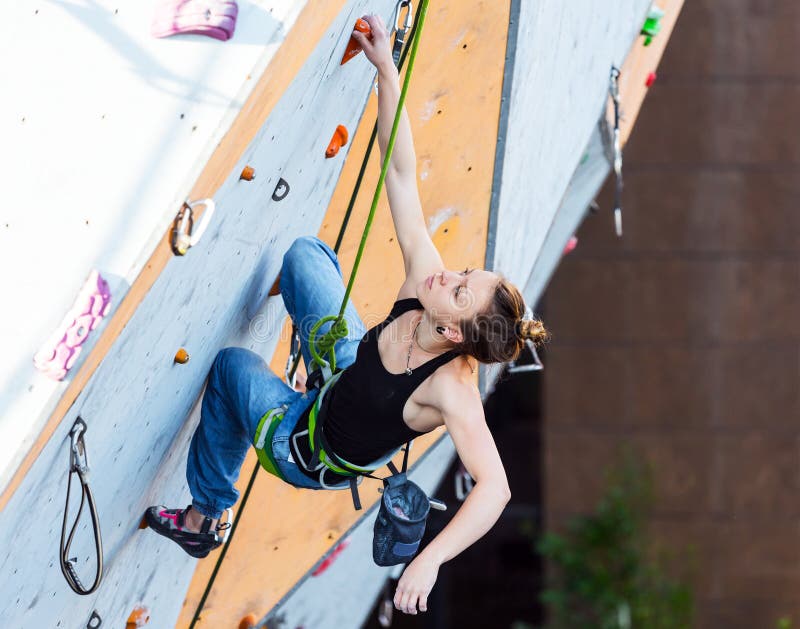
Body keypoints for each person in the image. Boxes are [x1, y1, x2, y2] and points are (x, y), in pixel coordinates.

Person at [145, 14, 547, 616]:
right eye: (467, 273)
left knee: (231, 368)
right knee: (307, 256)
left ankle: (204, 516)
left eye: (461, 290)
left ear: (456, 332)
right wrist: (387, 68)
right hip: (344, 369)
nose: (450, 275)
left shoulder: (450, 391)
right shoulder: (426, 285)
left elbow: (497, 488)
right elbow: (404, 178)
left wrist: (430, 560)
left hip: (307, 446)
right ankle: (311, 362)